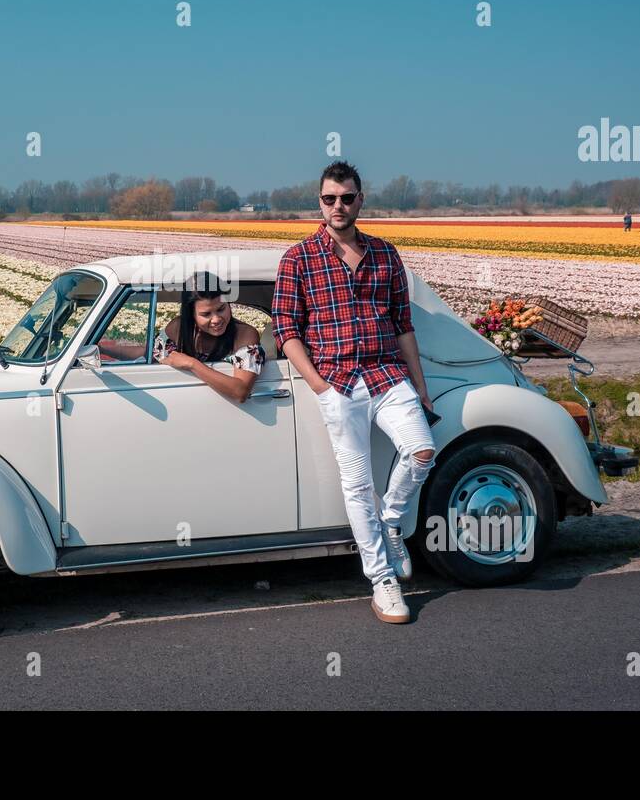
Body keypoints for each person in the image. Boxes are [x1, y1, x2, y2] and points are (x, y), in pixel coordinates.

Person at [272, 160, 435, 625]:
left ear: (361, 199)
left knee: (422, 451)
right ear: (319, 203)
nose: (338, 206)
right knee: (358, 483)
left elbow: (403, 326)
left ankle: (394, 522)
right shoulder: (299, 257)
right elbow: (286, 328)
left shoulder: (385, 254)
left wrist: (420, 388)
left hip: (388, 375)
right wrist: (319, 385)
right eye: (329, 199)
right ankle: (381, 580)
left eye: (346, 197)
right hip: (338, 381)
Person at [153, 272, 265, 404]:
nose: (216, 319)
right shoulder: (178, 329)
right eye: (206, 314)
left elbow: (240, 392)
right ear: (191, 315)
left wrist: (192, 364)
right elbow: (150, 355)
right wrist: (121, 350)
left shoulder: (244, 334)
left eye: (221, 309)